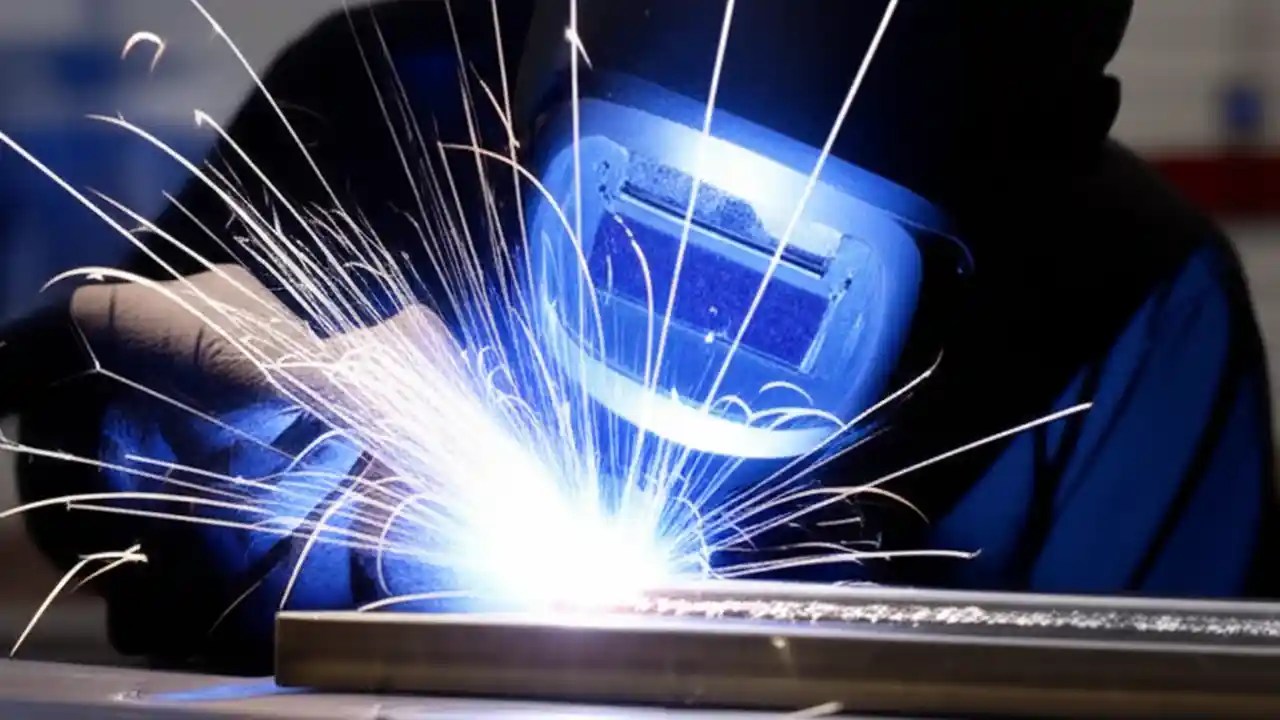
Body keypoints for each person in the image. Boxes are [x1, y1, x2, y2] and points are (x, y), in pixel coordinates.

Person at [0, 0, 1274, 674]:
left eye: (781, 293)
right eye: (634, 242)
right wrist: (248, 493)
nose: (694, 330)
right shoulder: (392, 100)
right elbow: (84, 492)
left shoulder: (1141, 313)